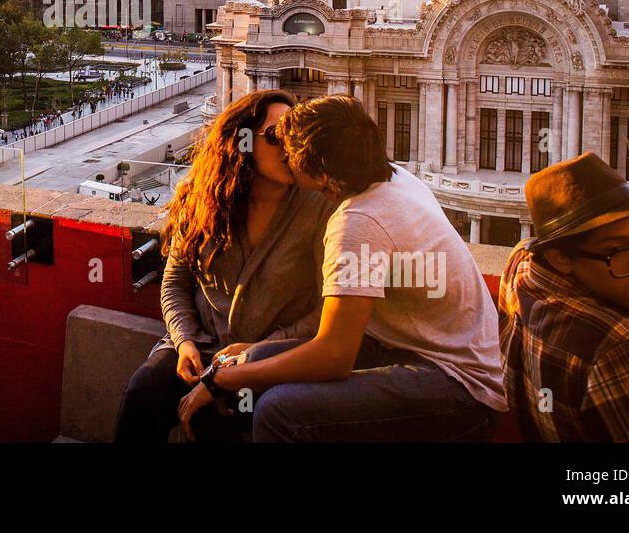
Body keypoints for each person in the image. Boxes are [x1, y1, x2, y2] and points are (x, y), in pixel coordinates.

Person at [179, 95, 506, 442]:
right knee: (251, 359)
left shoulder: (358, 222)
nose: (285, 161)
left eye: (291, 154)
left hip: (459, 387)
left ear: (317, 171)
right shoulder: (393, 177)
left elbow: (334, 356)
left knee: (278, 410)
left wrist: (224, 379)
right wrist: (243, 364)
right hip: (404, 347)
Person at [114, 90, 331, 443]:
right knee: (143, 392)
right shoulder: (205, 197)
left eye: (296, 135)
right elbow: (175, 283)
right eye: (277, 136)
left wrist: (253, 353)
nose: (290, 147)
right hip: (199, 349)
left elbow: (324, 308)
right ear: (242, 142)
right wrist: (184, 342)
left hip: (267, 360)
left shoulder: (318, 207)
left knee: (219, 418)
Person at [498, 152, 629, 442]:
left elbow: (528, 245)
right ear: (560, 258)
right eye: (618, 251)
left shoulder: (521, 268)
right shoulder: (616, 343)